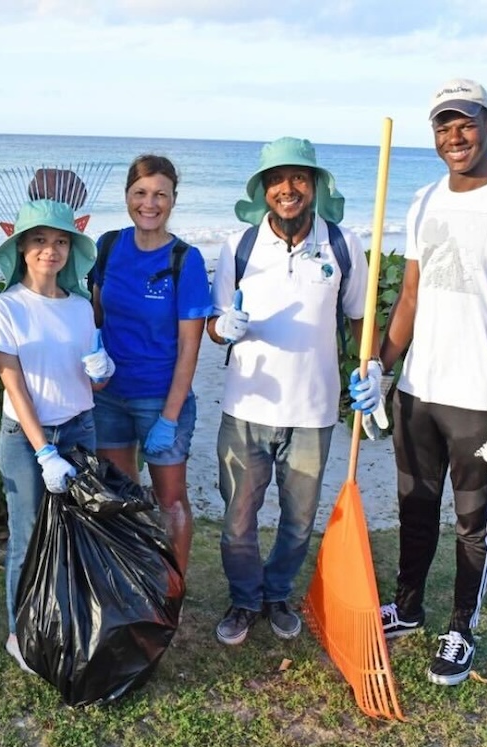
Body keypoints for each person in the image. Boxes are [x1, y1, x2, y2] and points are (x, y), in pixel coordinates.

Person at [361, 79, 487, 685]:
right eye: (444, 126)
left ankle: (461, 628)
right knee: (415, 506)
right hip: (421, 391)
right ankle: (410, 607)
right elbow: (413, 295)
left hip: (481, 398)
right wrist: (381, 367)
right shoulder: (423, 201)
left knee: (473, 521)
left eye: (466, 123)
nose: (455, 136)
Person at [207, 137, 373, 646]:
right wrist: (223, 328)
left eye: (299, 178)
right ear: (263, 189)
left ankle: (277, 593)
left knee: (299, 521)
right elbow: (214, 325)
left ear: (316, 185)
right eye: (277, 179)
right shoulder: (239, 247)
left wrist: (373, 371)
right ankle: (243, 599)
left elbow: (360, 319)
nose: (288, 189)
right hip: (245, 409)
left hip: (313, 412)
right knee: (238, 520)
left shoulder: (343, 245)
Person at [0, 198, 111, 672]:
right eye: (39, 240)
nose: (49, 251)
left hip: (81, 427)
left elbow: (92, 378)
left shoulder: (80, 308)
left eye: (59, 242)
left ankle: (66, 620)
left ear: (69, 250)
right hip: (26, 437)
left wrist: (102, 371)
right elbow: (12, 384)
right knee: (28, 536)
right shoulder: (6, 307)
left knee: (76, 531)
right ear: (21, 248)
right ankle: (22, 632)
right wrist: (44, 453)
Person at [89, 155, 212, 578]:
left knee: (170, 499)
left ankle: (171, 588)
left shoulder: (185, 260)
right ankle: (133, 580)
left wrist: (170, 417)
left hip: (161, 398)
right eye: (140, 193)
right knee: (121, 495)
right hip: (108, 398)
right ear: (127, 196)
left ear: (173, 200)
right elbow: (95, 319)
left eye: (160, 194)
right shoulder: (108, 246)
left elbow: (189, 350)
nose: (150, 203)